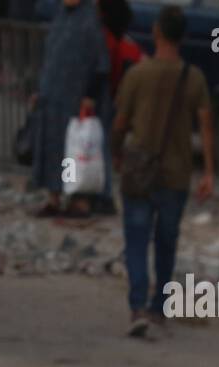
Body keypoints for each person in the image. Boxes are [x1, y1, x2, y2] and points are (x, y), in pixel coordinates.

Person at [110, 4, 213, 337]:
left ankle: (137, 306)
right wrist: (209, 172)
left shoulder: (137, 74)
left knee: (137, 241)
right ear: (183, 36)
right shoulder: (195, 77)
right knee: (167, 243)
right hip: (176, 175)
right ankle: (159, 308)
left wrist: (115, 154)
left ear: (156, 32)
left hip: (139, 172)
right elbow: (206, 126)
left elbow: (121, 123)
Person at [29, 0, 107, 218]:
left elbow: (99, 63)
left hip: (74, 99)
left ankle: (75, 198)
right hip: (52, 96)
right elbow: (51, 56)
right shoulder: (61, 17)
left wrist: (90, 95)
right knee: (52, 150)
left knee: (71, 152)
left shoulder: (89, 22)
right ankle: (54, 196)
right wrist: (40, 88)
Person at [92, 0, 140, 216]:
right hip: (117, 100)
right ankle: (101, 193)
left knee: (88, 148)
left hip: (104, 99)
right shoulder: (128, 44)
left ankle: (95, 193)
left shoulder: (105, 41)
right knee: (104, 150)